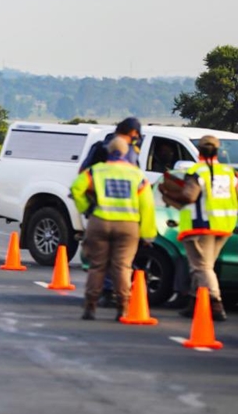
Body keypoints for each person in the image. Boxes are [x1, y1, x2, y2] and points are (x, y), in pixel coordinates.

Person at [71, 137, 157, 320]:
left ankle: (90, 306)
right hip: (128, 225)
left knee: (97, 266)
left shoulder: (96, 170)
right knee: (122, 267)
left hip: (100, 221)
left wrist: (87, 208)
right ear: (126, 152)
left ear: (108, 151)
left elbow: (76, 189)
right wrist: (148, 234)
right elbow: (147, 205)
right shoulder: (137, 174)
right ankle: (122, 307)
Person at [79, 117, 143, 308]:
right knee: (122, 263)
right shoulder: (131, 154)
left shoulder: (99, 149)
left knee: (99, 261)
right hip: (127, 216)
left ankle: (94, 299)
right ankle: (122, 300)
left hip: (100, 213)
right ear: (132, 132)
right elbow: (143, 193)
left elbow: (80, 182)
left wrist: (87, 207)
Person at [177, 136, 238, 322]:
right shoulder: (229, 172)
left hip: (200, 225)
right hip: (224, 225)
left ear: (199, 151)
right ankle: (195, 301)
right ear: (218, 151)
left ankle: (216, 302)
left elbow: (189, 196)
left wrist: (172, 193)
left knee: (201, 267)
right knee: (204, 266)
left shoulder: (196, 171)